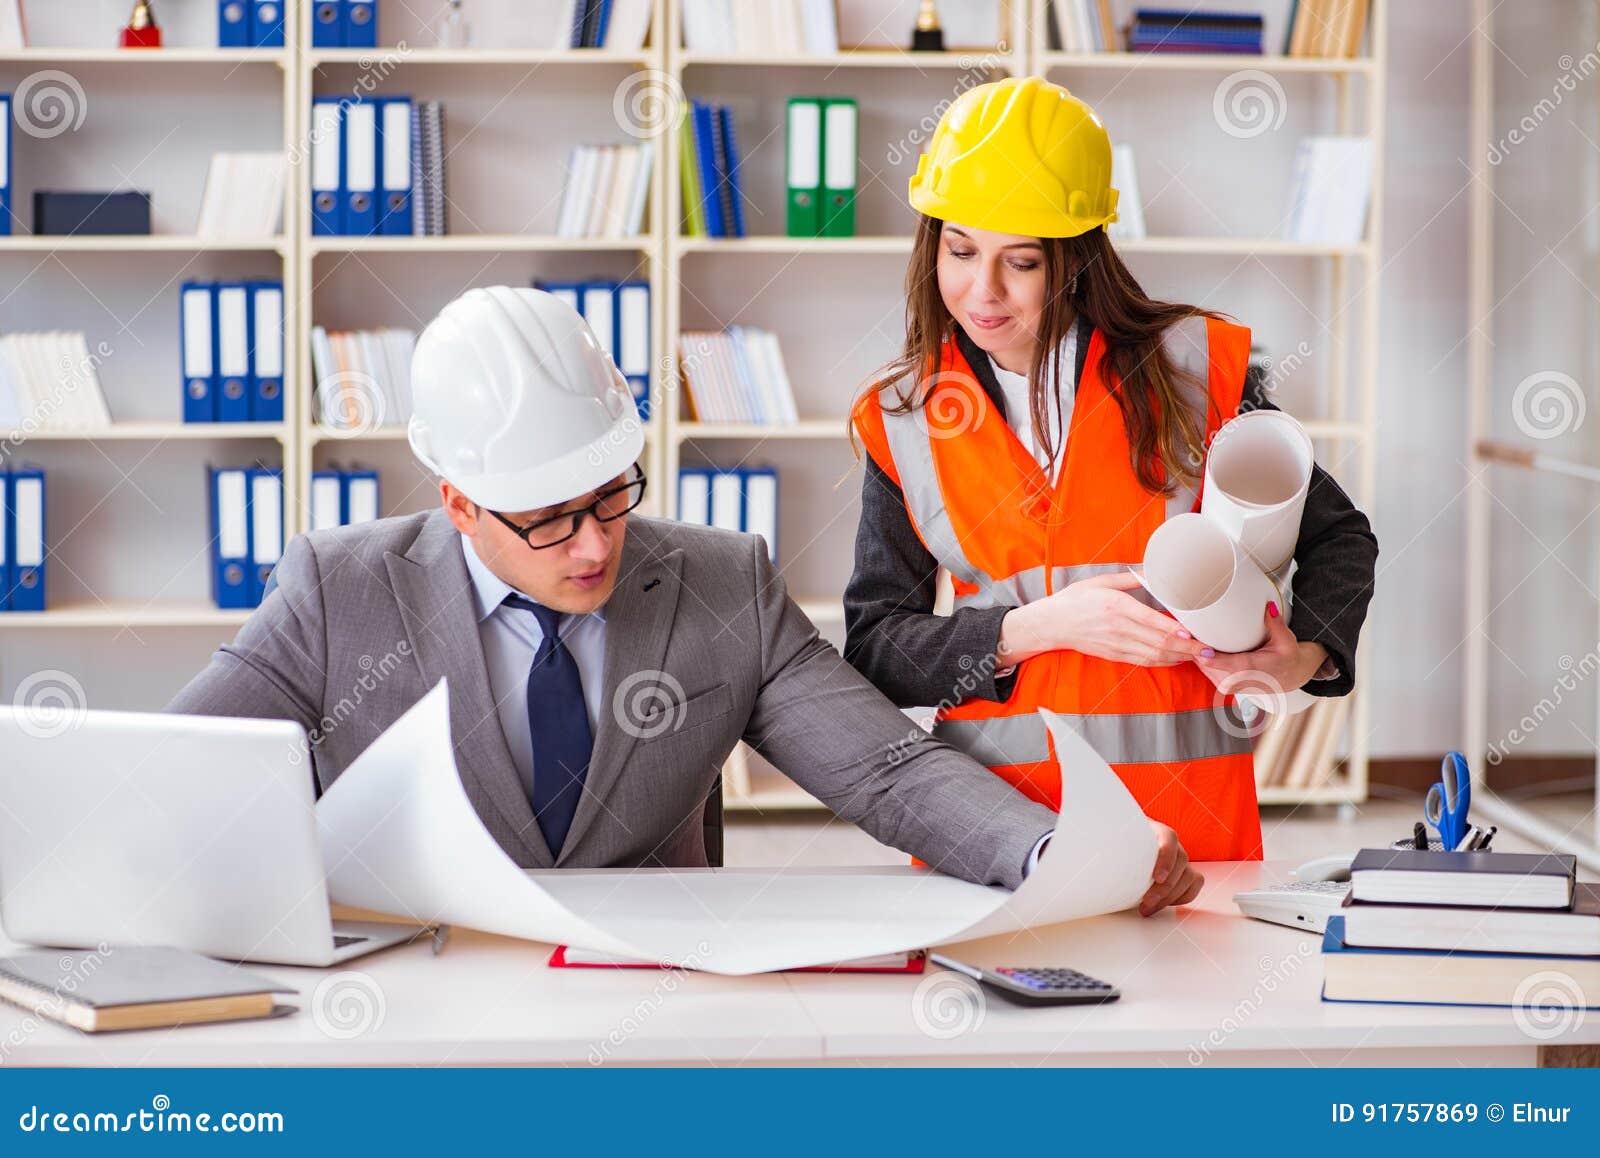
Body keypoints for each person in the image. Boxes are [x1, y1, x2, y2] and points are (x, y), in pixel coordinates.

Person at [167, 286, 1200, 910]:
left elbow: (885, 771)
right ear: (458, 502)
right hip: (416, 998)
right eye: (547, 518)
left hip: (650, 1000)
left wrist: (1060, 852)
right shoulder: (336, 590)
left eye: (612, 495)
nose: (593, 543)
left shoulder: (721, 582)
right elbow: (168, 783)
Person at [846, 77, 1378, 863]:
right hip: (990, 835)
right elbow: (877, 648)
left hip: (1187, 831)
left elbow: (1339, 538)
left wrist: (1303, 652)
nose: (980, 291)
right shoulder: (907, 416)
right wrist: (1038, 628)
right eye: (959, 251)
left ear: (1073, 261)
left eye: (1019, 262)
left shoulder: (1192, 372)